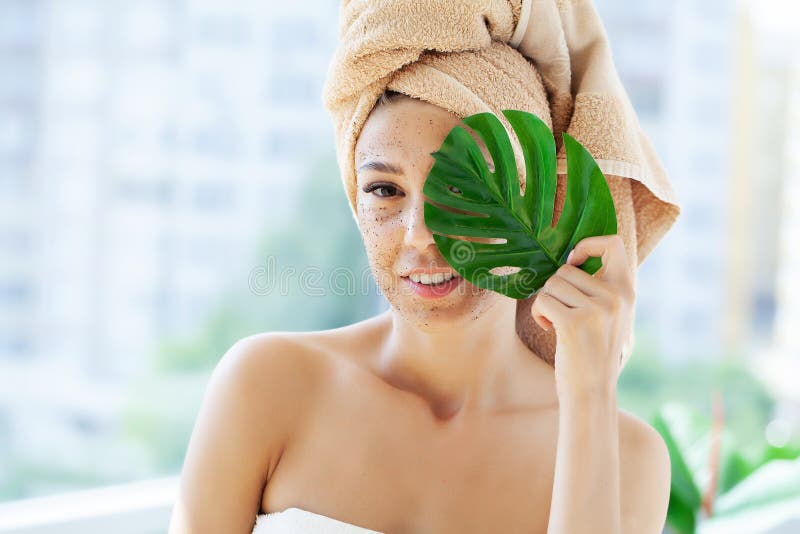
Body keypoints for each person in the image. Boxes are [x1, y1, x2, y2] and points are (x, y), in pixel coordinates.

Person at [167, 88, 671, 534]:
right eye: (385, 190)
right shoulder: (268, 385)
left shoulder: (628, 456)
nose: (421, 233)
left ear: (533, 206)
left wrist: (587, 395)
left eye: (464, 190)